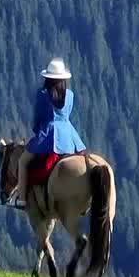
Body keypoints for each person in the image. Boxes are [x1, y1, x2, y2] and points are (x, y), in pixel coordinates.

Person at [24, 58, 87, 200]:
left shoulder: (42, 94)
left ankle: (22, 198)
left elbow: (38, 118)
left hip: (48, 134)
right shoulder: (70, 95)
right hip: (70, 135)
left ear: (47, 78)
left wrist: (37, 133)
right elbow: (69, 115)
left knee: (23, 161)